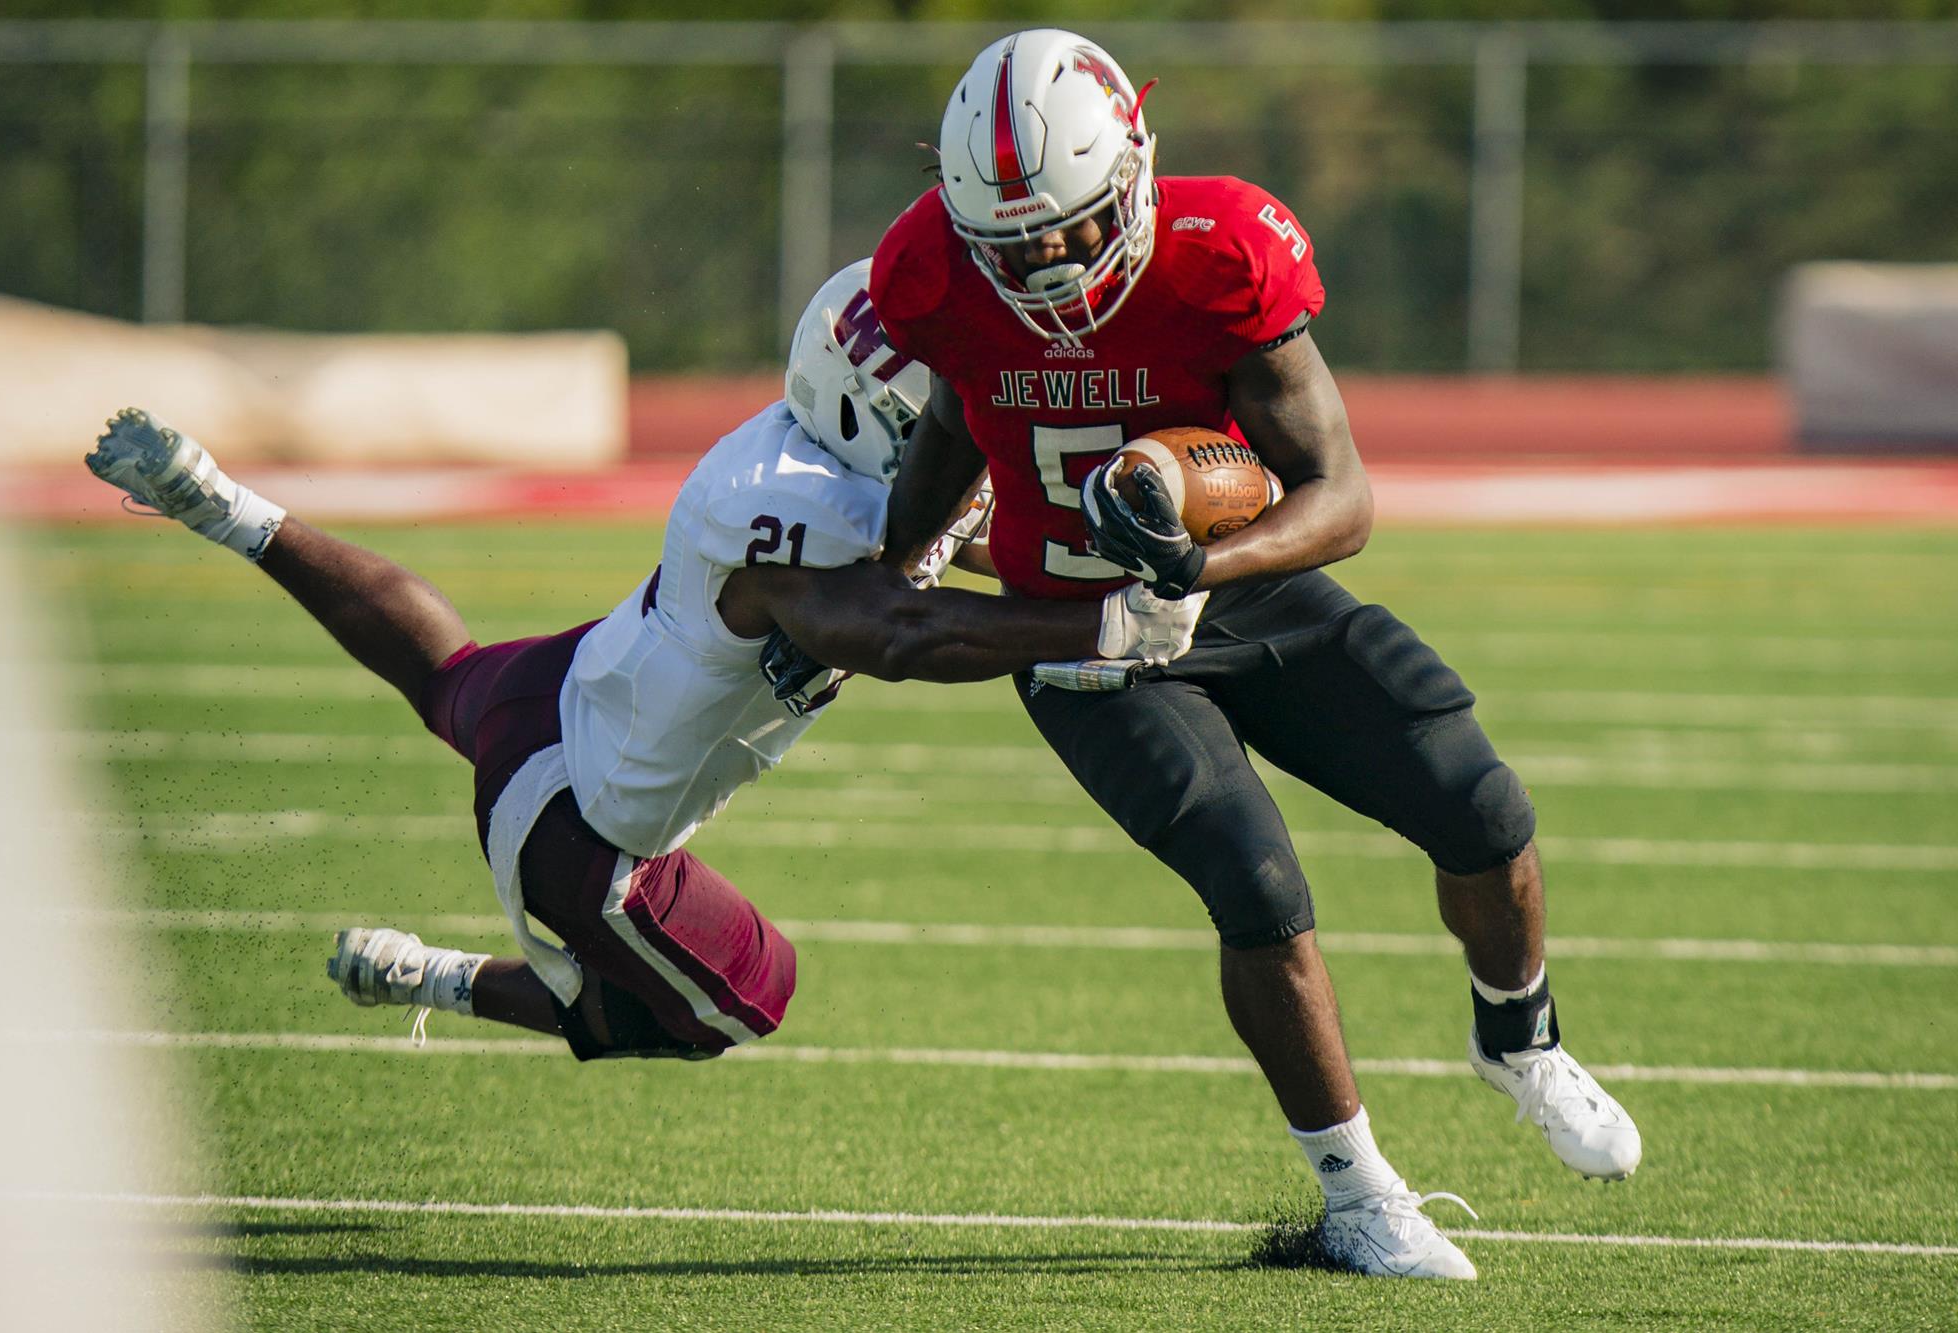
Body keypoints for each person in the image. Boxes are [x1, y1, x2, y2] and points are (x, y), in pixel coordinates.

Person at [869, 29, 1640, 1280]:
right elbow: (959, 405)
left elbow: (1339, 494)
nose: (1048, 265)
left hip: (1236, 592)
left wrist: (1202, 566)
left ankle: (1520, 1037)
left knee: (1482, 807)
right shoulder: (931, 277)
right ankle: (1356, 1197)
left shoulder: (1218, 251)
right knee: (1257, 883)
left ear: (1134, 173)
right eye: (1011, 249)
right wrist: (899, 556)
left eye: (1065, 229)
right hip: (1080, 635)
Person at [84, 259, 1206, 1063]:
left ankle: (227, 507)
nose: (964, 444)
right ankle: (434, 975)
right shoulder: (803, 513)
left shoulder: (797, 462)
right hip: (584, 826)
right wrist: (1098, 625)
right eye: (944, 425)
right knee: (735, 1003)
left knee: (442, 670)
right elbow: (904, 634)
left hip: (563, 683)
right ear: (878, 417)